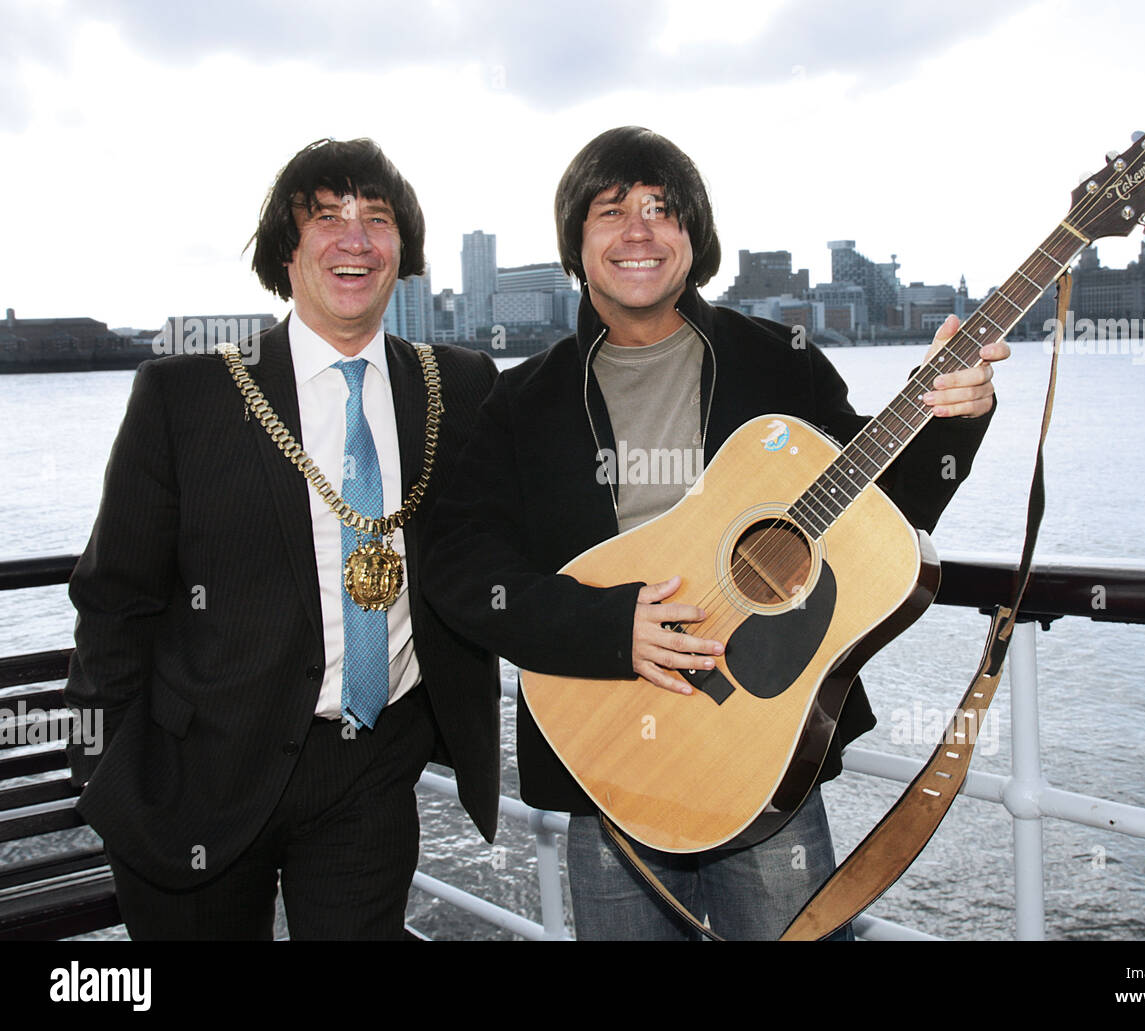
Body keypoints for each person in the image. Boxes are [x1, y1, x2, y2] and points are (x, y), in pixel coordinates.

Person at [429, 126, 1006, 940]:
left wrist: (951, 417)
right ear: (575, 242)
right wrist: (604, 625)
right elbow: (459, 564)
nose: (639, 231)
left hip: (765, 750)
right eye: (611, 210)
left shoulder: (780, 362)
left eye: (664, 210)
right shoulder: (521, 402)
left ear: (694, 238)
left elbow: (890, 509)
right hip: (611, 751)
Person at [64, 138, 500, 940]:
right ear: (285, 250)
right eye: (327, 217)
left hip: (369, 770)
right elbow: (113, 597)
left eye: (378, 218)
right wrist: (116, 778)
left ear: (403, 250)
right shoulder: (185, 394)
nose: (356, 238)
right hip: (198, 774)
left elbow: (525, 525)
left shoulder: (459, 386)